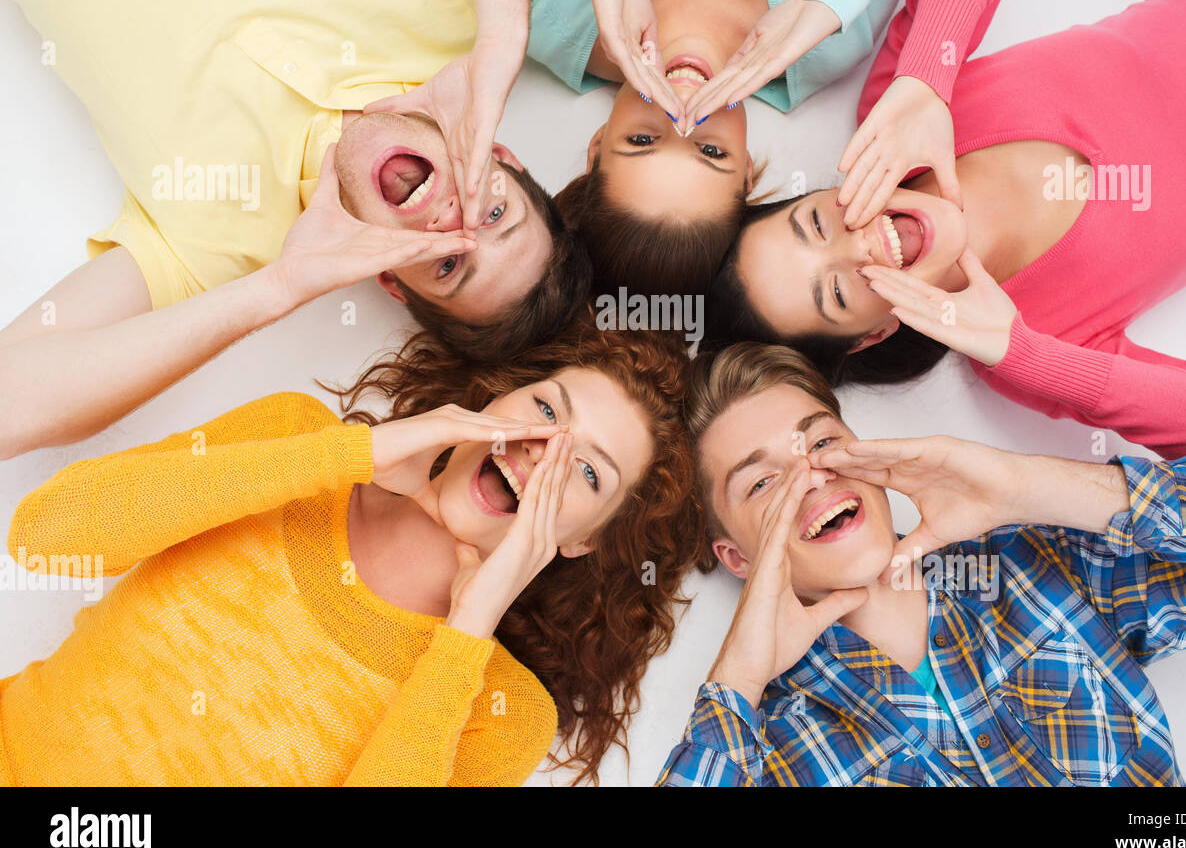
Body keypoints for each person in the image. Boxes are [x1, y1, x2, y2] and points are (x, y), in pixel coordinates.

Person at [0, 0, 589, 462]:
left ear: (390, 281)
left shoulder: (220, 249)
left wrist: (277, 289)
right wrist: (501, 33)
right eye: (495, 216)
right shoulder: (457, 20)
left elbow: (10, 402)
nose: (455, 225)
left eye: (448, 265)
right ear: (501, 156)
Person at [705, 0, 1186, 467]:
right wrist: (1022, 354)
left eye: (815, 224)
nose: (859, 244)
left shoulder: (896, 114)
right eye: (837, 290)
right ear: (873, 335)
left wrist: (925, 78)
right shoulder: (1034, 346)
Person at [1, 316, 706, 786]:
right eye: (548, 411)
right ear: (494, 402)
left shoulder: (502, 708)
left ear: (583, 539)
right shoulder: (297, 440)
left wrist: (463, 642)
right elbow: (45, 534)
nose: (544, 451)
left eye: (588, 472)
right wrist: (352, 454)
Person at [657, 342, 1186, 786]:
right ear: (737, 557)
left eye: (823, 442)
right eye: (763, 484)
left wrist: (1026, 483)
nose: (810, 478)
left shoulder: (1040, 566)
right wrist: (737, 679)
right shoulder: (769, 749)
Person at [528, 0, 977, 296]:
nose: (681, 113)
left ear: (597, 147)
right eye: (711, 153)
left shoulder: (550, 19)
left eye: (643, 140)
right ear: (746, 172)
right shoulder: (830, 41)